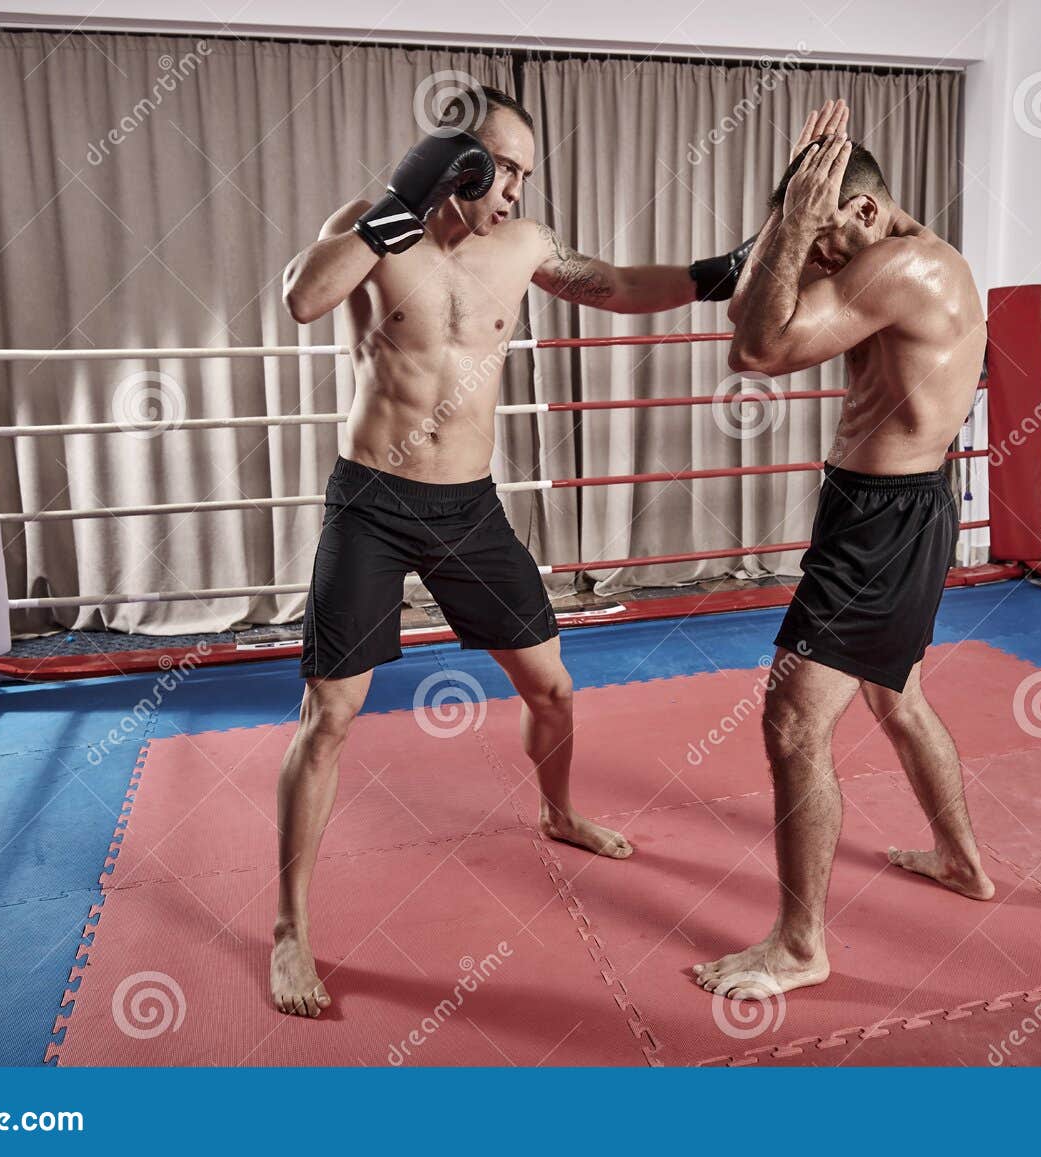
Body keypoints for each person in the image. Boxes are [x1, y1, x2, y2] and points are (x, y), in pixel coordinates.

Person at [272, 84, 753, 1017]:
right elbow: (303, 297)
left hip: (468, 507)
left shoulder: (522, 247)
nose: (517, 193)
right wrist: (393, 210)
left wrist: (719, 271)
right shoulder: (374, 228)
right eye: (506, 171)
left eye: (527, 174)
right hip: (370, 499)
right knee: (328, 715)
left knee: (554, 684)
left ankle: (559, 809)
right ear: (461, 162)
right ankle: (292, 926)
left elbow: (611, 285)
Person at [693, 100, 994, 1002]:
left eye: (826, 239)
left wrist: (797, 228)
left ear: (866, 213)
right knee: (895, 697)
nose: (817, 260)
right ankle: (961, 861)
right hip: (885, 509)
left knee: (791, 720)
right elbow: (760, 299)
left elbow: (757, 345)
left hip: (884, 523)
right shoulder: (885, 254)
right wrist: (792, 217)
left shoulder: (907, 267)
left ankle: (800, 946)